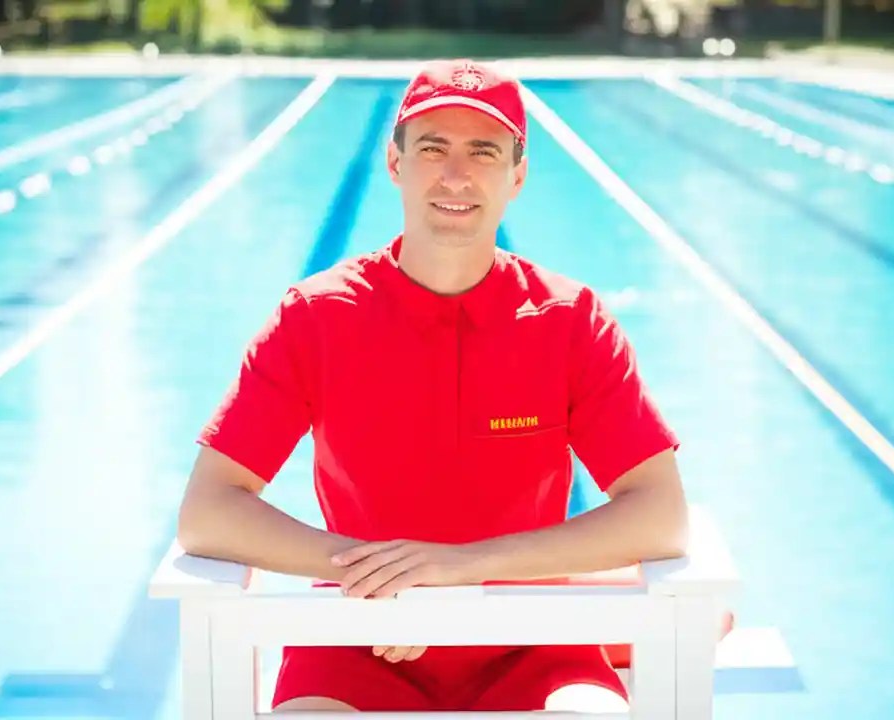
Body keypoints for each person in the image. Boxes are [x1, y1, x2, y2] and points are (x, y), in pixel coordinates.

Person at [176, 58, 691, 713]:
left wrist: (460, 566)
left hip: (535, 648)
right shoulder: (317, 317)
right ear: (395, 165)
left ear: (517, 175)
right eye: (433, 148)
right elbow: (209, 510)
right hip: (355, 644)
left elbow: (660, 514)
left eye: (483, 150)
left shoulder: (570, 321)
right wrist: (387, 577)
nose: (456, 174)